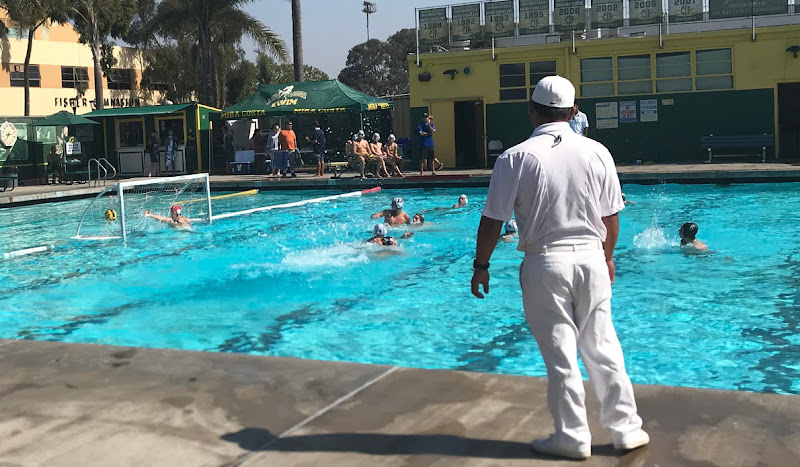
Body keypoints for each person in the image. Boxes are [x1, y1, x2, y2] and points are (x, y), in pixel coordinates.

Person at [471, 75, 648, 460]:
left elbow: (492, 220)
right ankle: (627, 429)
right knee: (603, 346)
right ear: (573, 111)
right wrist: (608, 256)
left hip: (545, 262)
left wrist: (481, 265)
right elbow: (611, 216)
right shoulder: (597, 152)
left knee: (561, 352)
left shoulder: (515, 157)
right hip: (591, 256)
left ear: (532, 111)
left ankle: (572, 436)